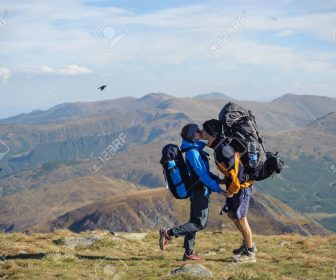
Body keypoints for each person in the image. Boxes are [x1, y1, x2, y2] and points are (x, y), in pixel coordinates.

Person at [159, 123, 225, 260]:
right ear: (192, 135)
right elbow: (202, 176)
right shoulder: (193, 153)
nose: (201, 132)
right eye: (197, 130)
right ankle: (169, 233)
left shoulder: (194, 150)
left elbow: (204, 173)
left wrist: (219, 181)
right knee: (199, 223)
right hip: (200, 191)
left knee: (193, 222)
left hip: (198, 191)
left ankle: (188, 253)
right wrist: (218, 189)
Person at [201, 119, 257, 263]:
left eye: (204, 131)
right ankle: (246, 244)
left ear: (212, 134)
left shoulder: (222, 149)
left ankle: (250, 253)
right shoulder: (219, 146)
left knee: (241, 218)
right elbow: (230, 173)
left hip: (241, 188)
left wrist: (231, 191)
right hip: (236, 186)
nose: (201, 133)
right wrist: (224, 182)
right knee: (232, 214)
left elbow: (237, 174)